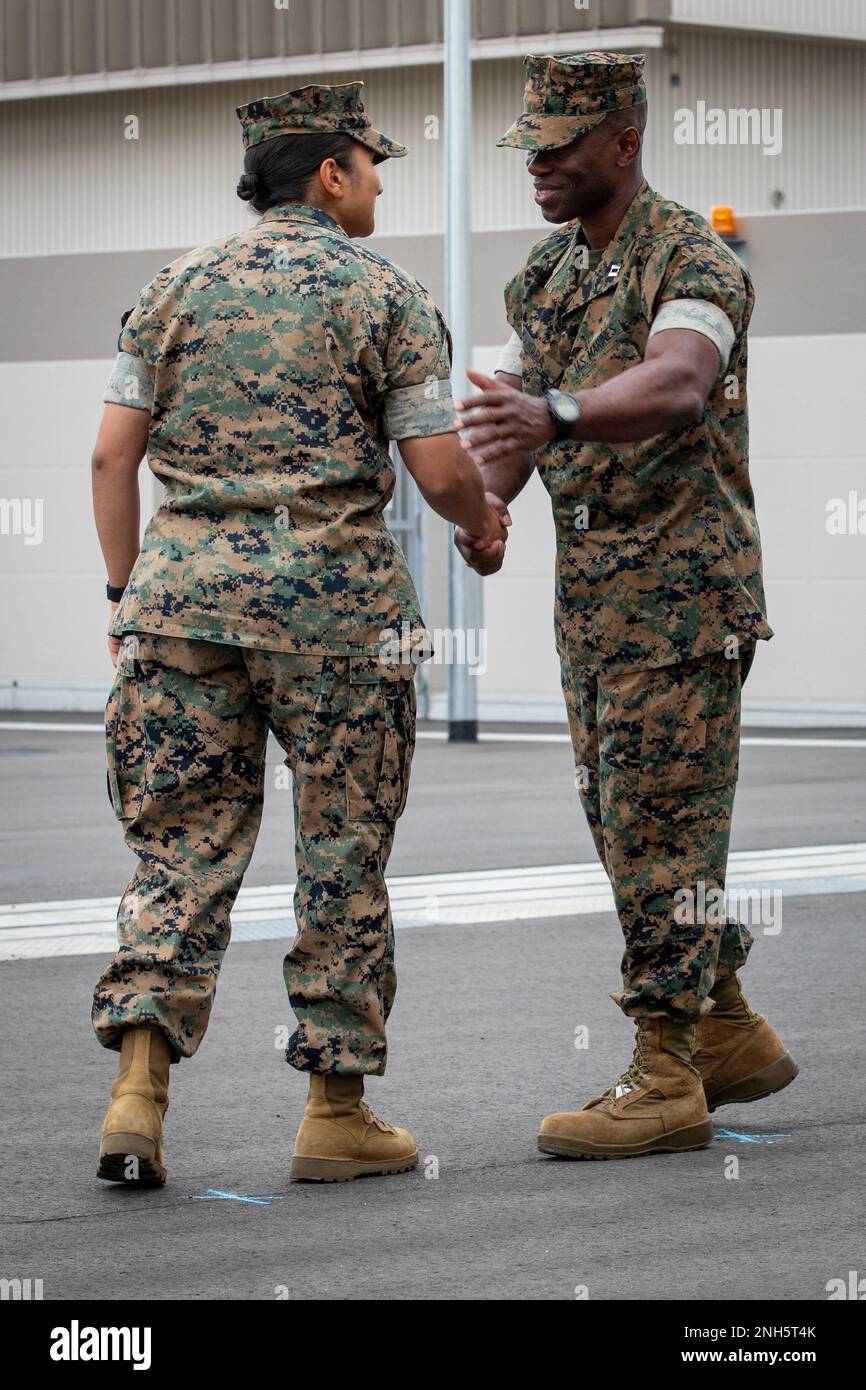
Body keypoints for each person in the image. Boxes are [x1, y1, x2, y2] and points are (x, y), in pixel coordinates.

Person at [91, 82, 506, 1186]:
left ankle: (137, 1094)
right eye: (370, 163)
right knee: (341, 857)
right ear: (331, 172)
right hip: (336, 621)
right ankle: (334, 1113)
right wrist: (481, 527)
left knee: (175, 853)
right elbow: (436, 466)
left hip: (179, 609)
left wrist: (126, 596)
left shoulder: (170, 287)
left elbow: (108, 458)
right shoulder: (385, 292)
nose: (375, 181)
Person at [454, 52, 797, 1160]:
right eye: (530, 147)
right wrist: (486, 505)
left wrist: (550, 413)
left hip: (682, 593)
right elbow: (514, 425)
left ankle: (664, 1072)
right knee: (627, 823)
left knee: (660, 829)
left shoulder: (687, 256)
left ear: (624, 141)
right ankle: (728, 1025)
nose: (538, 165)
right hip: (591, 601)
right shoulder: (546, 278)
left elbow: (678, 379)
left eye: (559, 145)